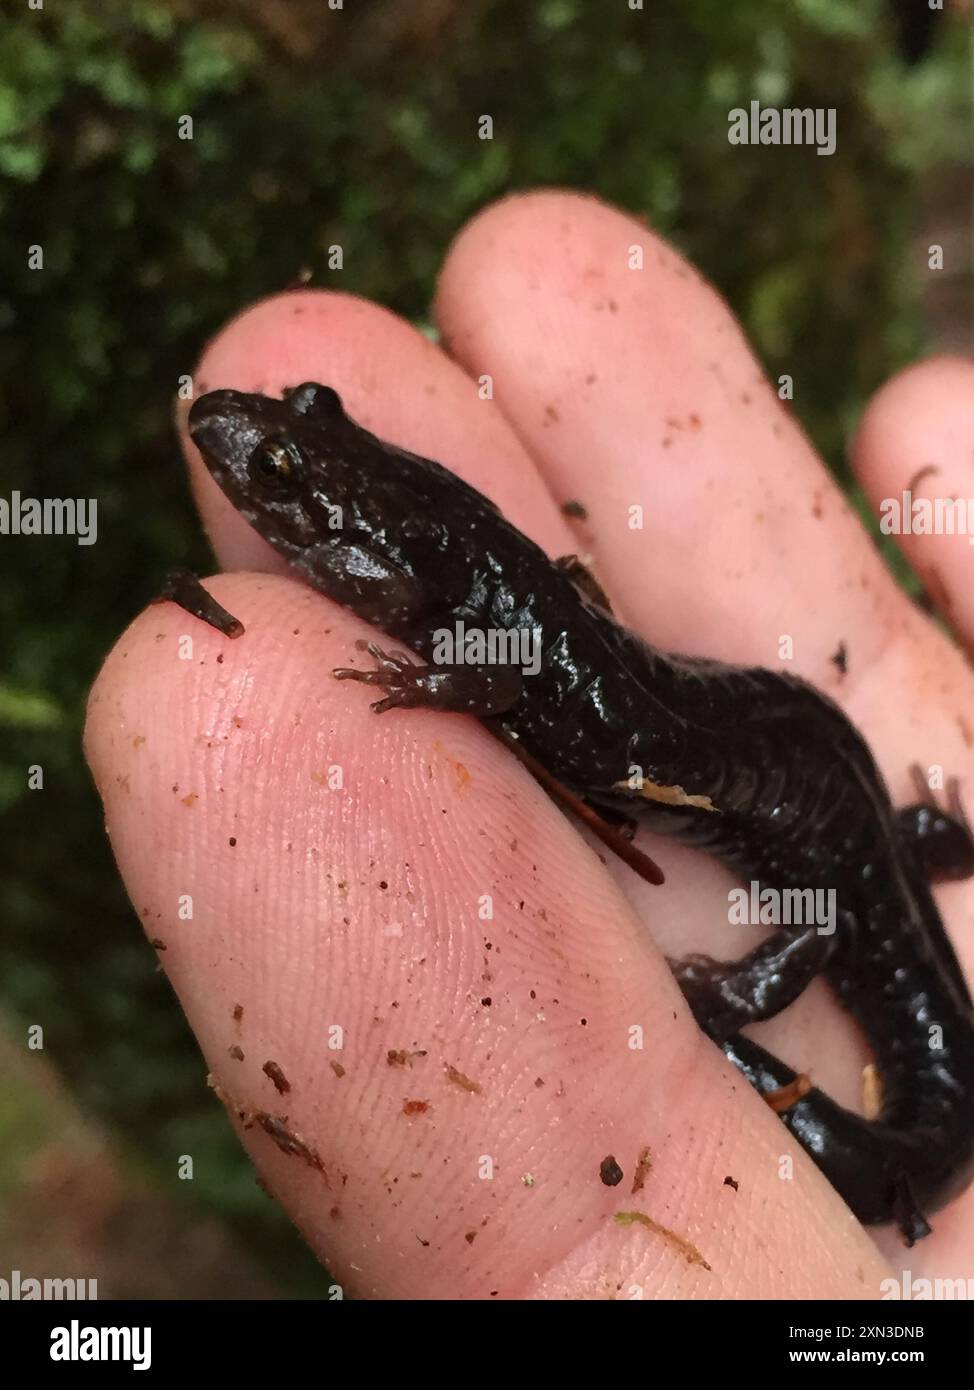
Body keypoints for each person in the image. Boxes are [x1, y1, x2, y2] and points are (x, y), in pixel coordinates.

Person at [84, 190, 974, 1299]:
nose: (241, 437)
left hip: (827, 853)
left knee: (823, 917)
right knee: (875, 847)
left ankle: (741, 1005)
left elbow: (500, 666)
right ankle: (933, 843)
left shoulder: (461, 598)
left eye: (285, 470)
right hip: (815, 763)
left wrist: (725, 1004)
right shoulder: (452, 555)